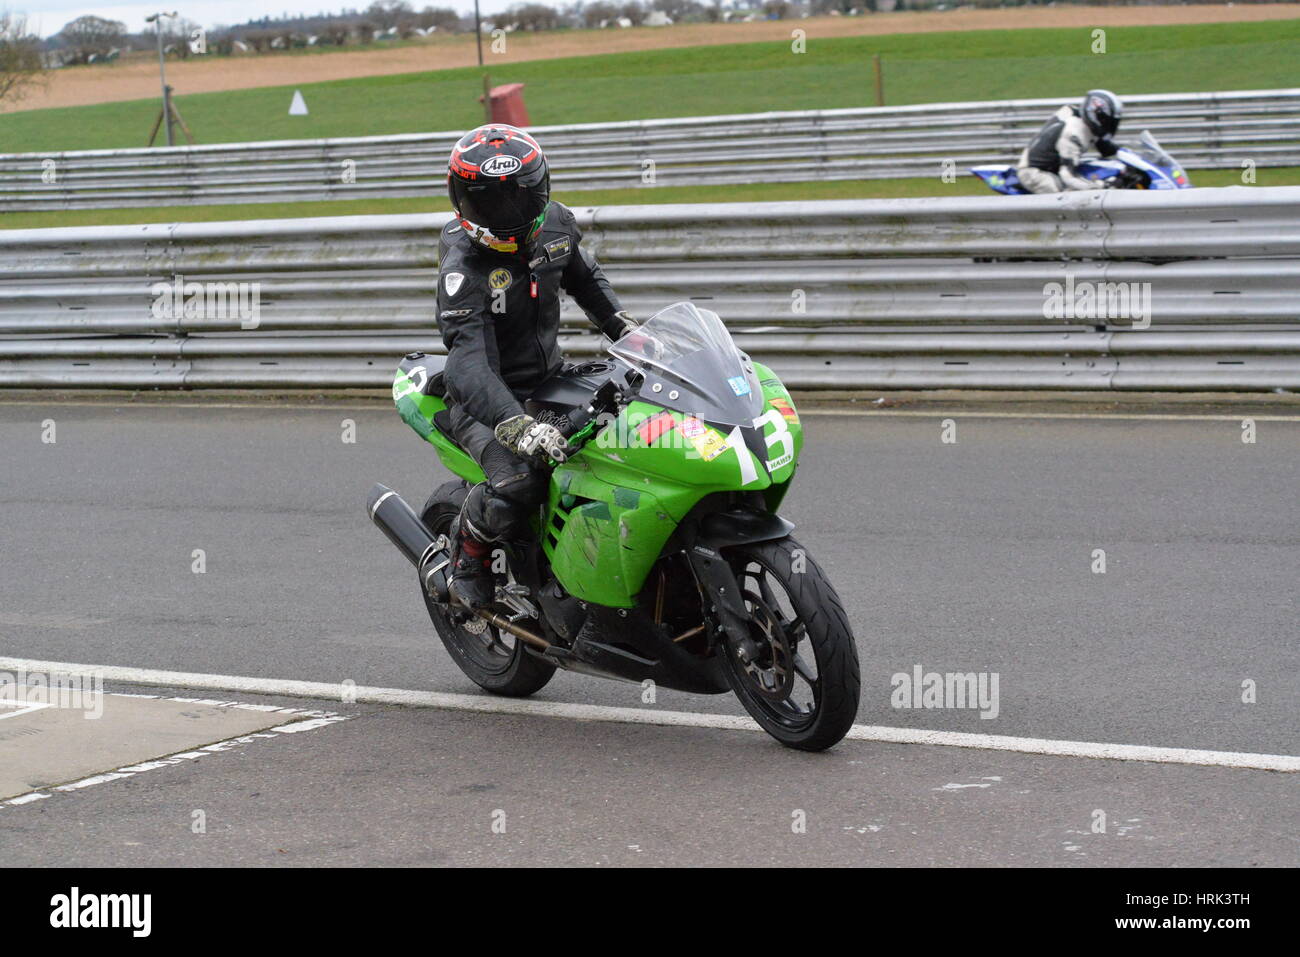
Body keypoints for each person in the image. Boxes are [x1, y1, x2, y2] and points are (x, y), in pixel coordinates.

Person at [434, 123, 636, 610]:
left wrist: (632, 336)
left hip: (550, 380)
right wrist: (514, 425)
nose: (508, 213)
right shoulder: (464, 266)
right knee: (521, 482)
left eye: (520, 197)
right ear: (461, 200)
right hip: (483, 400)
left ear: (541, 190)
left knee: (632, 425)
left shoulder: (558, 226)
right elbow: (467, 361)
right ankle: (469, 559)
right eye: (489, 201)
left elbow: (587, 284)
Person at [1016, 89, 1123, 193]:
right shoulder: (1074, 134)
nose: (1109, 125)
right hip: (1035, 172)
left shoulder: (1086, 124)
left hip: (1054, 168)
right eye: (1106, 121)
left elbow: (1110, 150)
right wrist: (1100, 188)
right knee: (1069, 196)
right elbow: (1068, 175)